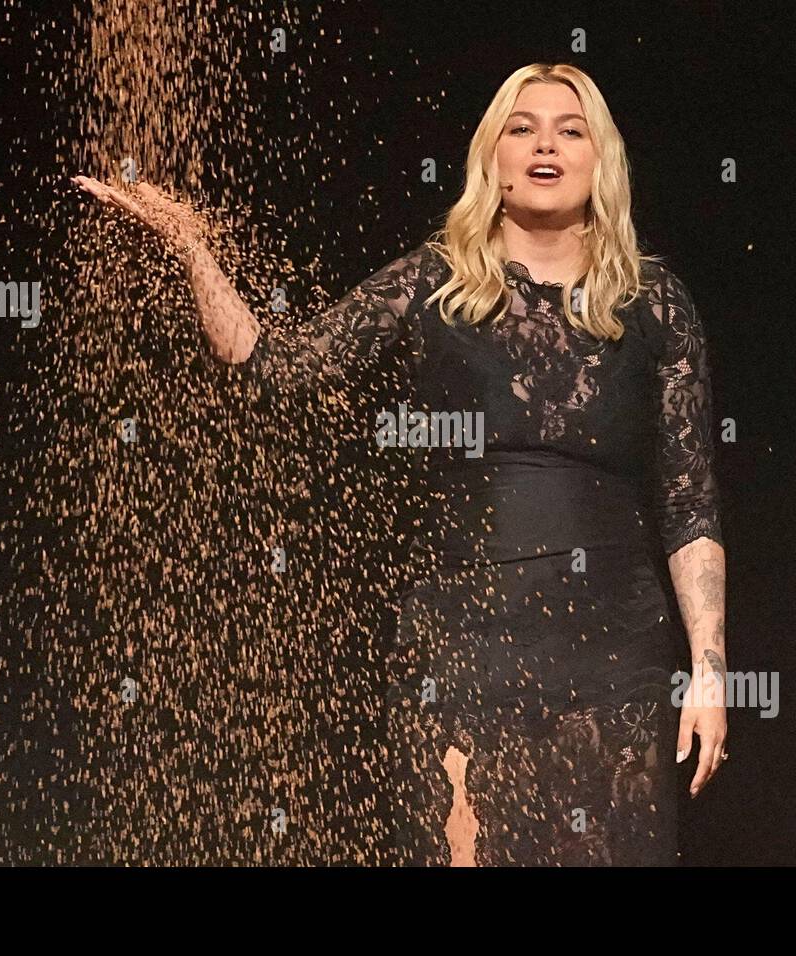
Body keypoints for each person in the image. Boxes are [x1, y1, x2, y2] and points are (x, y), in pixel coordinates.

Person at [72, 62, 729, 866]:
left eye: (570, 128)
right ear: (493, 156)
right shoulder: (434, 281)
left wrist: (709, 666)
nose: (545, 144)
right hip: (461, 640)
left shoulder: (655, 301)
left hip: (612, 646)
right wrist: (190, 245)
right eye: (521, 128)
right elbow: (281, 369)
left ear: (604, 159)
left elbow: (689, 499)